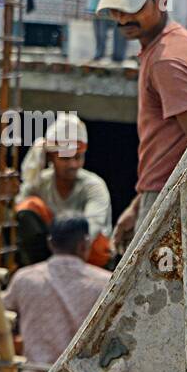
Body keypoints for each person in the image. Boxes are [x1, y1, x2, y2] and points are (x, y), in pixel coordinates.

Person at [94, 0, 187, 253]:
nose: (122, 18)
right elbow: (171, 148)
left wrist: (158, 207)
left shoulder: (166, 61)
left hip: (169, 199)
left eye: (131, 6)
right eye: (116, 8)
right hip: (160, 194)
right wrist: (138, 206)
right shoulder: (176, 44)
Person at [3, 217, 112, 372]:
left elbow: (2, 316)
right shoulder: (107, 284)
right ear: (84, 245)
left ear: (50, 243)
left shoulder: (25, 279)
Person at [15, 113, 113, 269]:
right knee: (29, 206)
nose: (73, 164)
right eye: (66, 159)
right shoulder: (40, 183)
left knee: (93, 238)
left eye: (78, 157)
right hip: (52, 252)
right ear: (52, 159)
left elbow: (93, 226)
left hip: (88, 255)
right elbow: (20, 209)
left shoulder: (94, 185)